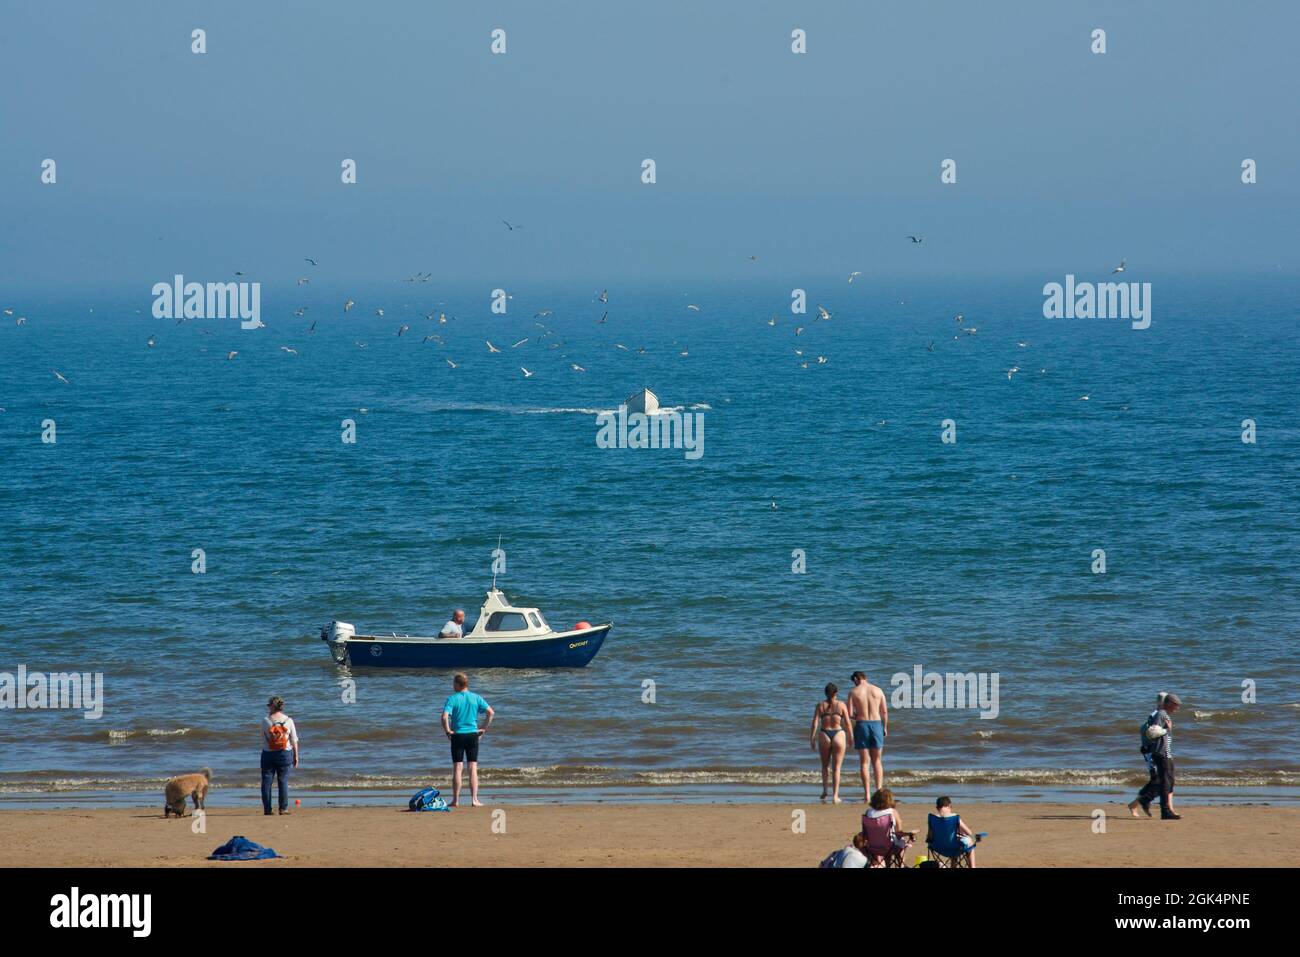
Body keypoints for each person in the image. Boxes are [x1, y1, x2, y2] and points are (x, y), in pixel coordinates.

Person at [441, 672, 493, 807]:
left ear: (458, 684)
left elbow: (444, 717)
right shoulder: (476, 697)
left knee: (458, 768)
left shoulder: (452, 699)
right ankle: (474, 800)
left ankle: (455, 800)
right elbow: (490, 712)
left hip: (457, 735)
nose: (453, 686)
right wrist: (483, 728)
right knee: (472, 767)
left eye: (454, 683)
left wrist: (448, 731)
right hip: (472, 735)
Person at [1129, 691, 1182, 820]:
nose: (1178, 708)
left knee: (1167, 782)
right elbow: (1151, 732)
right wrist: (1166, 730)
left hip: (1164, 753)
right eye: (1175, 705)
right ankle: (1163, 809)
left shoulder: (1162, 714)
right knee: (1162, 782)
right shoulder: (1160, 714)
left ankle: (1164, 809)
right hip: (1159, 753)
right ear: (1167, 703)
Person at [847, 670, 888, 799]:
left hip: (862, 724)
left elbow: (849, 714)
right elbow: (884, 712)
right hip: (876, 724)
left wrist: (856, 715)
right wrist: (884, 727)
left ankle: (867, 795)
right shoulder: (878, 690)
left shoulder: (853, 692)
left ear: (856, 679)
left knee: (864, 762)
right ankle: (879, 791)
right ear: (865, 678)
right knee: (877, 761)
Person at [810, 683, 851, 803]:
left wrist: (812, 738)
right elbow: (848, 723)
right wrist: (851, 736)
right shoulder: (841, 705)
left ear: (825, 693)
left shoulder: (820, 705)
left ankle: (824, 791)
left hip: (824, 734)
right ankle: (835, 796)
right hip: (838, 734)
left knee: (824, 766)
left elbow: (815, 723)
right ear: (836, 693)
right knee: (837, 768)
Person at [260, 695, 299, 816]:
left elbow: (263, 738)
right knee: (283, 781)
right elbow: (294, 740)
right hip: (285, 754)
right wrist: (296, 756)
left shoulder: (266, 721)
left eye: (268, 705)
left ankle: (267, 809)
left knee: (266, 782)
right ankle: (283, 809)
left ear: (272, 706)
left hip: (268, 754)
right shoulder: (289, 720)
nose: (268, 707)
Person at [928, 796, 979, 867]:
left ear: (937, 807)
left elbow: (930, 836)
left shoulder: (932, 818)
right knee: (969, 841)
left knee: (954, 840)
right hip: (953, 847)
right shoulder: (954, 817)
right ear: (949, 806)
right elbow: (969, 833)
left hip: (937, 847)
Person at [862, 787, 913, 853]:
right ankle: (901, 863)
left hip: (871, 845)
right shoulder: (892, 812)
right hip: (889, 845)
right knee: (901, 841)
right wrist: (910, 834)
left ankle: (883, 861)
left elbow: (865, 831)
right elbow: (899, 833)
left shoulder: (869, 812)